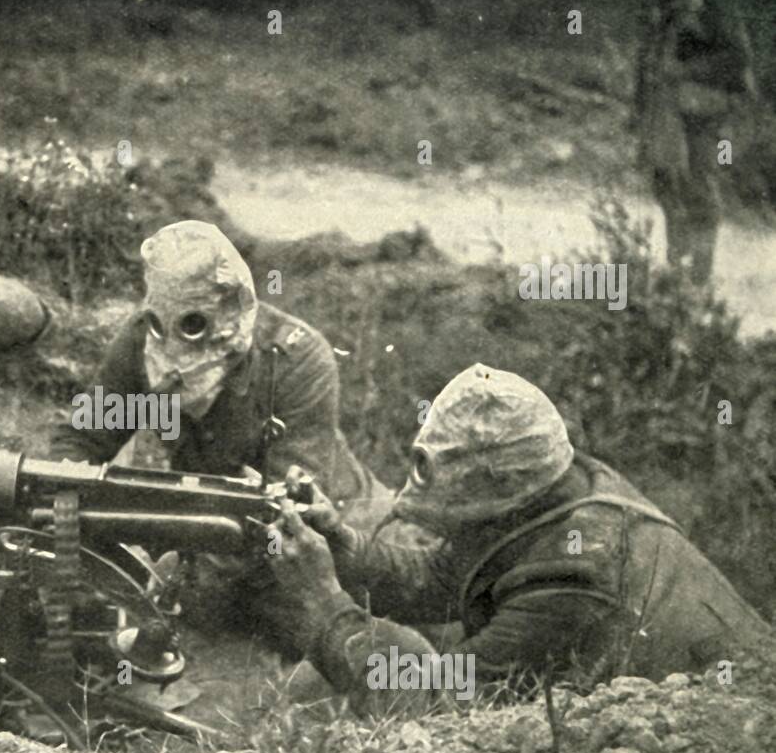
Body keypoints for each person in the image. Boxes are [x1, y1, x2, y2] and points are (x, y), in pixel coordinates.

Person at [267, 363, 773, 715]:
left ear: (497, 491)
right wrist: (340, 544)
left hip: (725, 729)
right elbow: (440, 576)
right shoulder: (555, 486)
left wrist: (324, 599)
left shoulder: (574, 575)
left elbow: (428, 701)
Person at [47, 219, 398, 643]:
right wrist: (59, 517)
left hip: (325, 537)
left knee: (336, 651)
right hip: (213, 529)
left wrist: (168, 583)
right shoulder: (141, 343)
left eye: (194, 326)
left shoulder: (296, 361)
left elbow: (286, 514)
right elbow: (83, 439)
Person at [633, 0, 758, 286]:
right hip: (666, 108)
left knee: (699, 187)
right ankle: (678, 269)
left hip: (706, 109)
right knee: (665, 183)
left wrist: (685, 69)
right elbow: (647, 55)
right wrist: (639, 106)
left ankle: (698, 279)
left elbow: (737, 57)